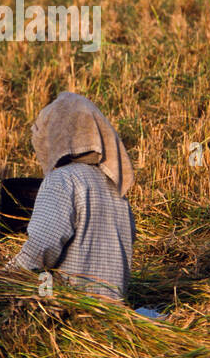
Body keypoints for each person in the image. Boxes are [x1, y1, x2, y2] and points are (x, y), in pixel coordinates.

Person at [10, 92, 136, 302]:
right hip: (113, 314)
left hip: (72, 310)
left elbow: (43, 245)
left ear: (54, 137)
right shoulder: (115, 188)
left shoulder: (63, 180)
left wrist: (8, 273)